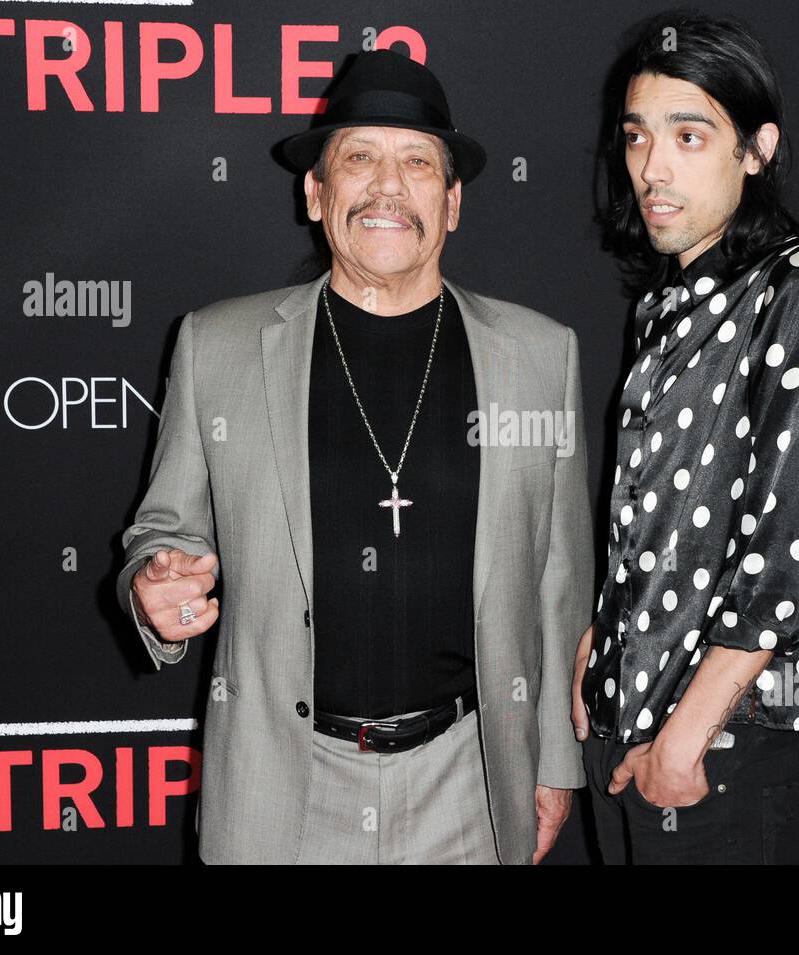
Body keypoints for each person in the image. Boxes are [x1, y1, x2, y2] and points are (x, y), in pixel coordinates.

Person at [116, 49, 593, 864]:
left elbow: (560, 577)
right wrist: (154, 582)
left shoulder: (540, 355)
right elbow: (163, 529)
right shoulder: (217, 345)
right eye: (359, 157)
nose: (387, 186)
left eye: (418, 163)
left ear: (452, 203)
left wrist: (553, 762)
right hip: (284, 788)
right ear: (315, 192)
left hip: (471, 782)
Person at [571, 11, 799, 864]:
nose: (652, 168)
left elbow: (792, 557)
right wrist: (604, 641)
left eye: (690, 135)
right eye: (637, 136)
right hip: (623, 724)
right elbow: (657, 513)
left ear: (757, 148)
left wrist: (685, 739)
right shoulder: (664, 303)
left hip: (715, 750)